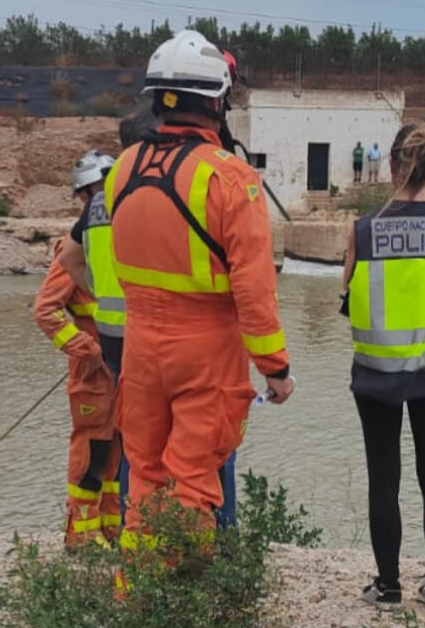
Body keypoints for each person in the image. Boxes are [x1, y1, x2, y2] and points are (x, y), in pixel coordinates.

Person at [105, 29, 293, 547]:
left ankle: (141, 597)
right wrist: (275, 368)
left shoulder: (120, 171)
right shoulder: (231, 179)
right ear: (217, 100)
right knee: (192, 482)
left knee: (142, 475)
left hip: (140, 348)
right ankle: (187, 604)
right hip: (206, 353)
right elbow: (254, 292)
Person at [342, 124, 425, 608]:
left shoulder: (363, 229)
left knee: (384, 477)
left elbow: (348, 295)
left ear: (394, 164)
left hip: (376, 373)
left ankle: (388, 585)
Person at [33, 150, 122, 547]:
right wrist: (85, 350)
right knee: (91, 448)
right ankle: (80, 537)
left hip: (121, 363)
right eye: (92, 196)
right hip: (93, 370)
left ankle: (109, 528)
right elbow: (45, 311)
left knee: (114, 450)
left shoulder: (120, 239)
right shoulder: (75, 245)